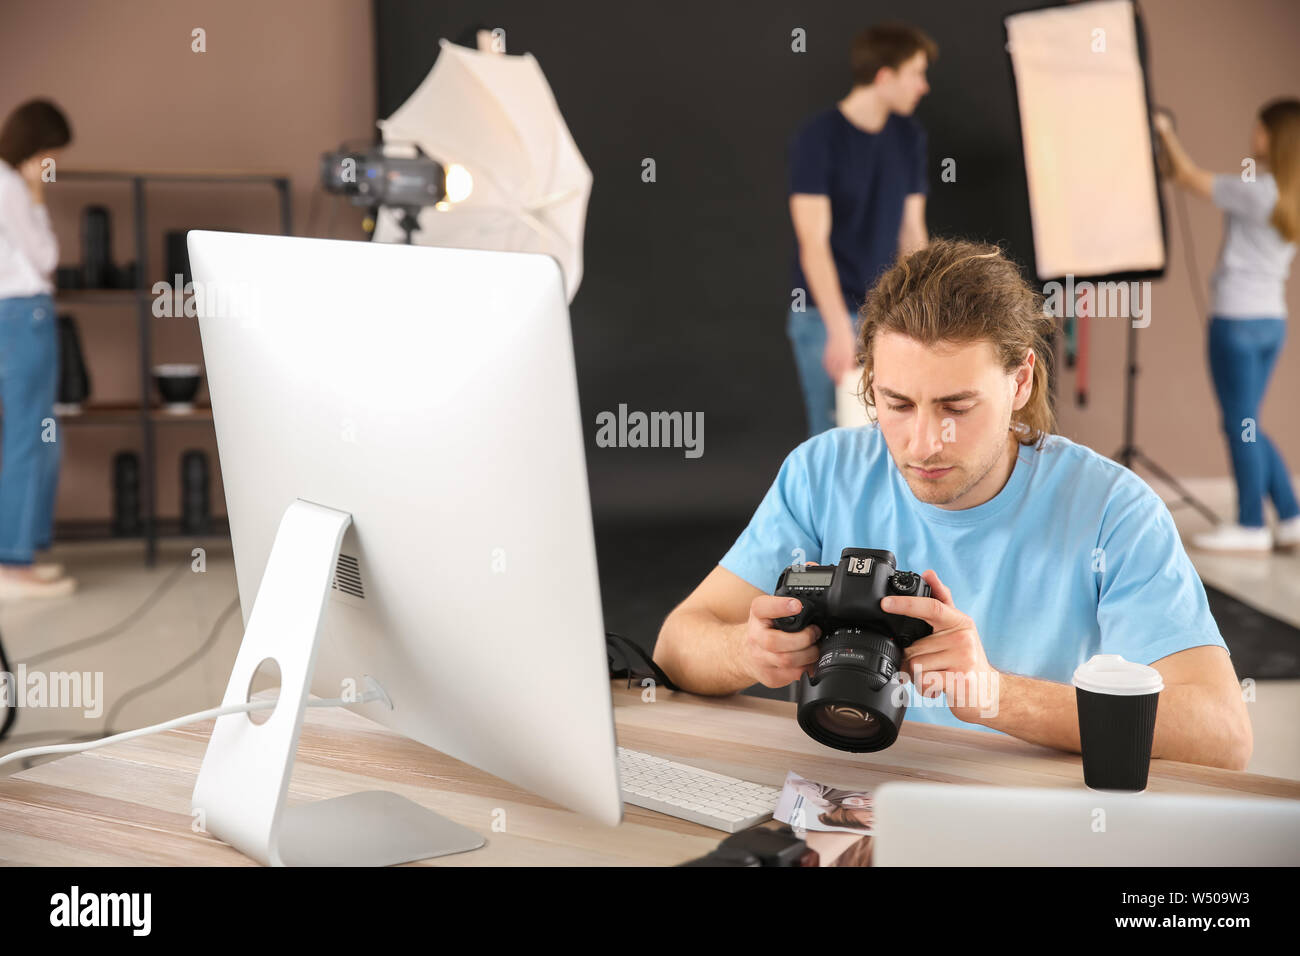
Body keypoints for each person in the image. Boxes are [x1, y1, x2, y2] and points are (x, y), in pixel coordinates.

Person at [655, 239, 1251, 771]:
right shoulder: (821, 472)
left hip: (1021, 818)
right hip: (847, 793)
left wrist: (993, 694)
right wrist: (750, 652)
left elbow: (1221, 732)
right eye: (897, 404)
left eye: (956, 408)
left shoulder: (1112, 511)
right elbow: (677, 645)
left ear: (1020, 382)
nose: (922, 444)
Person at [1154, 100, 1300, 555]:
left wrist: (1165, 131)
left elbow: (1187, 178)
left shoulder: (1257, 190)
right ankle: (1292, 517)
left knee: (1241, 422)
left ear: (1273, 137)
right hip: (1272, 322)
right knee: (1248, 419)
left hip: (1236, 322)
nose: (1252, 134)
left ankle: (1252, 524)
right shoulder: (1289, 195)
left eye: (1259, 128)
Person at [786, 22, 933, 437]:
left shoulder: (909, 138)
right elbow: (812, 243)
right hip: (822, 315)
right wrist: (839, 330)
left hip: (889, 313)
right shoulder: (817, 139)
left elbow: (912, 235)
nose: (923, 86)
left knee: (893, 436)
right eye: (916, 74)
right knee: (834, 440)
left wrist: (923, 310)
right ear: (885, 77)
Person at [0, 99, 75, 599]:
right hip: (23, 316)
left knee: (41, 436)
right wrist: (37, 196)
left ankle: (21, 552)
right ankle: (12, 564)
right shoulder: (11, 187)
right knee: (32, 435)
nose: (54, 165)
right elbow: (47, 256)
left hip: (15, 317)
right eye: (52, 153)